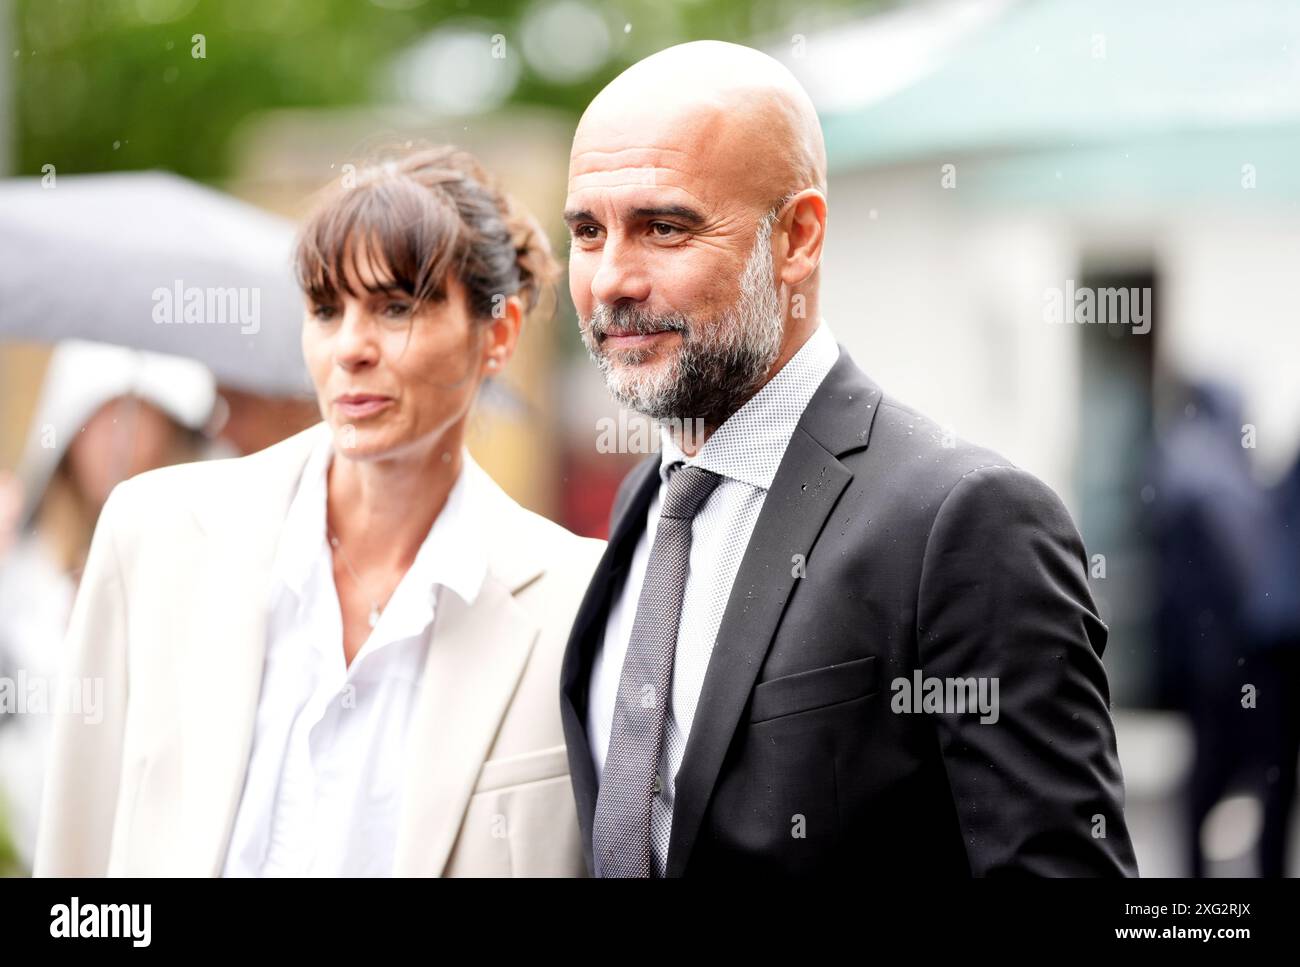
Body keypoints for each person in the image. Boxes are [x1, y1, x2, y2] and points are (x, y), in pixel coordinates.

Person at [559, 41, 1138, 877]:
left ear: (797, 238)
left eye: (664, 227)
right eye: (587, 230)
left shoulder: (968, 521)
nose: (612, 278)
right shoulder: (643, 510)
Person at [35, 145, 603, 877]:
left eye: (396, 307)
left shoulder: (575, 599)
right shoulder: (154, 533)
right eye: (326, 308)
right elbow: (75, 863)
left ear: (496, 333)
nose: (350, 348)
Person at [0, 340, 215, 873]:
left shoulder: (206, 561)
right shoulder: (25, 570)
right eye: (100, 419)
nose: (118, 440)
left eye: (138, 418)